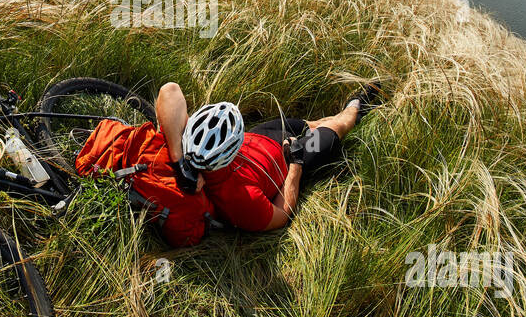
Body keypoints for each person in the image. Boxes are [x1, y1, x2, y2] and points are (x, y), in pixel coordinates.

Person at [155, 84, 375, 239]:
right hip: (292, 156)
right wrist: (296, 164)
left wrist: (179, 162)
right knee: (338, 127)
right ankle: (358, 105)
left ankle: (342, 113)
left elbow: (170, 90)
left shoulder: (185, 150)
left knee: (315, 124)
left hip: (264, 136)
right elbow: (282, 214)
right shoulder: (241, 200)